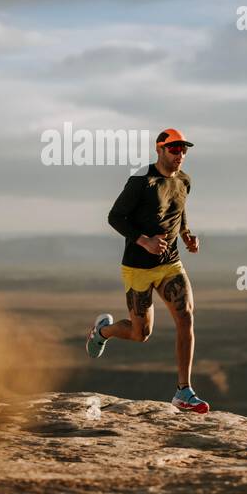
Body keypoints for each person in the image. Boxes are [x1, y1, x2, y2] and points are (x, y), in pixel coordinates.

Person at [85, 128, 208, 413]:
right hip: (138, 267)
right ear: (159, 150)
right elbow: (115, 217)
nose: (180, 155)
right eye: (174, 149)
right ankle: (103, 332)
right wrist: (144, 240)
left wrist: (188, 235)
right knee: (141, 334)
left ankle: (183, 391)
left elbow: (179, 210)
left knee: (186, 316)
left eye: (183, 150)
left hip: (170, 263)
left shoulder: (184, 181)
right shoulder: (142, 181)